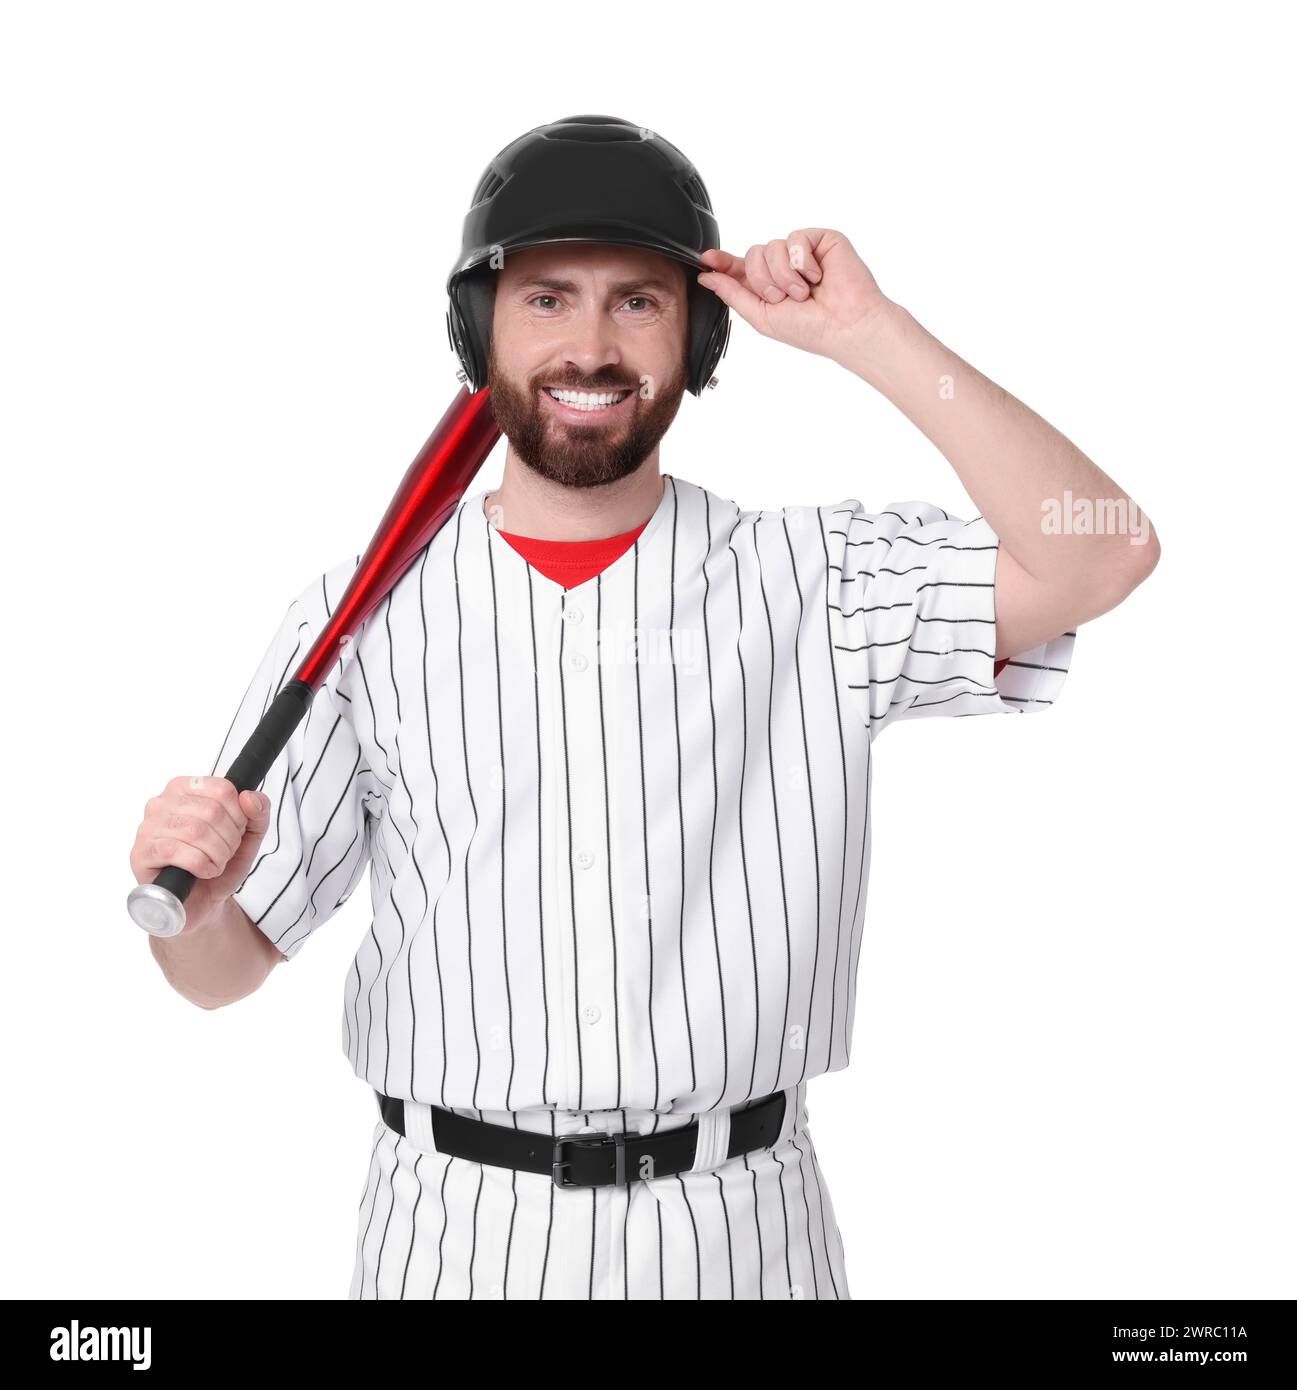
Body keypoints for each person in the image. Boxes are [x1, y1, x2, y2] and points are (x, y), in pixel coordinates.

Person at [130, 116, 1159, 1300]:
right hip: (456, 1236)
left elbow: (1103, 550)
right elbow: (218, 971)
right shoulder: (359, 615)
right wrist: (200, 909)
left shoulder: (813, 580)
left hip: (743, 1233)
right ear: (481, 330)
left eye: (637, 301)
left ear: (697, 336)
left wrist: (868, 334)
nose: (590, 345)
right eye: (547, 298)